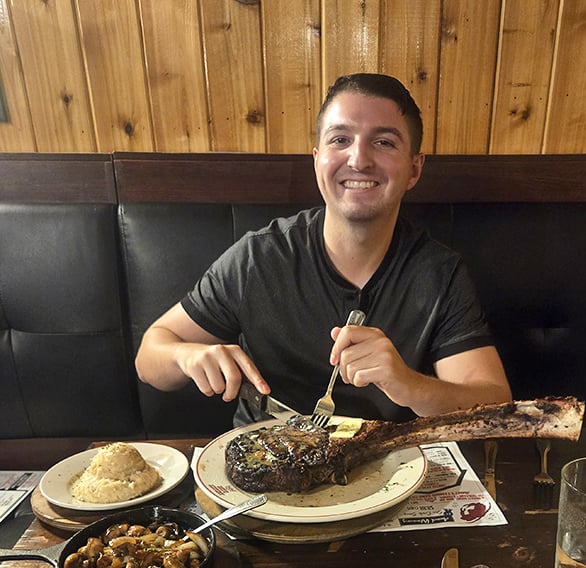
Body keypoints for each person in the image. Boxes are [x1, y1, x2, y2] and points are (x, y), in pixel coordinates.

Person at [135, 73, 511, 426]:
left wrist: (409, 384)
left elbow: (495, 408)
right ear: (317, 160)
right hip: (263, 474)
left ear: (414, 170)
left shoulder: (438, 273)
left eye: (384, 142)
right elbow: (149, 359)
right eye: (340, 139)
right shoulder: (258, 258)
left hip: (388, 474)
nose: (359, 159)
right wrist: (188, 356)